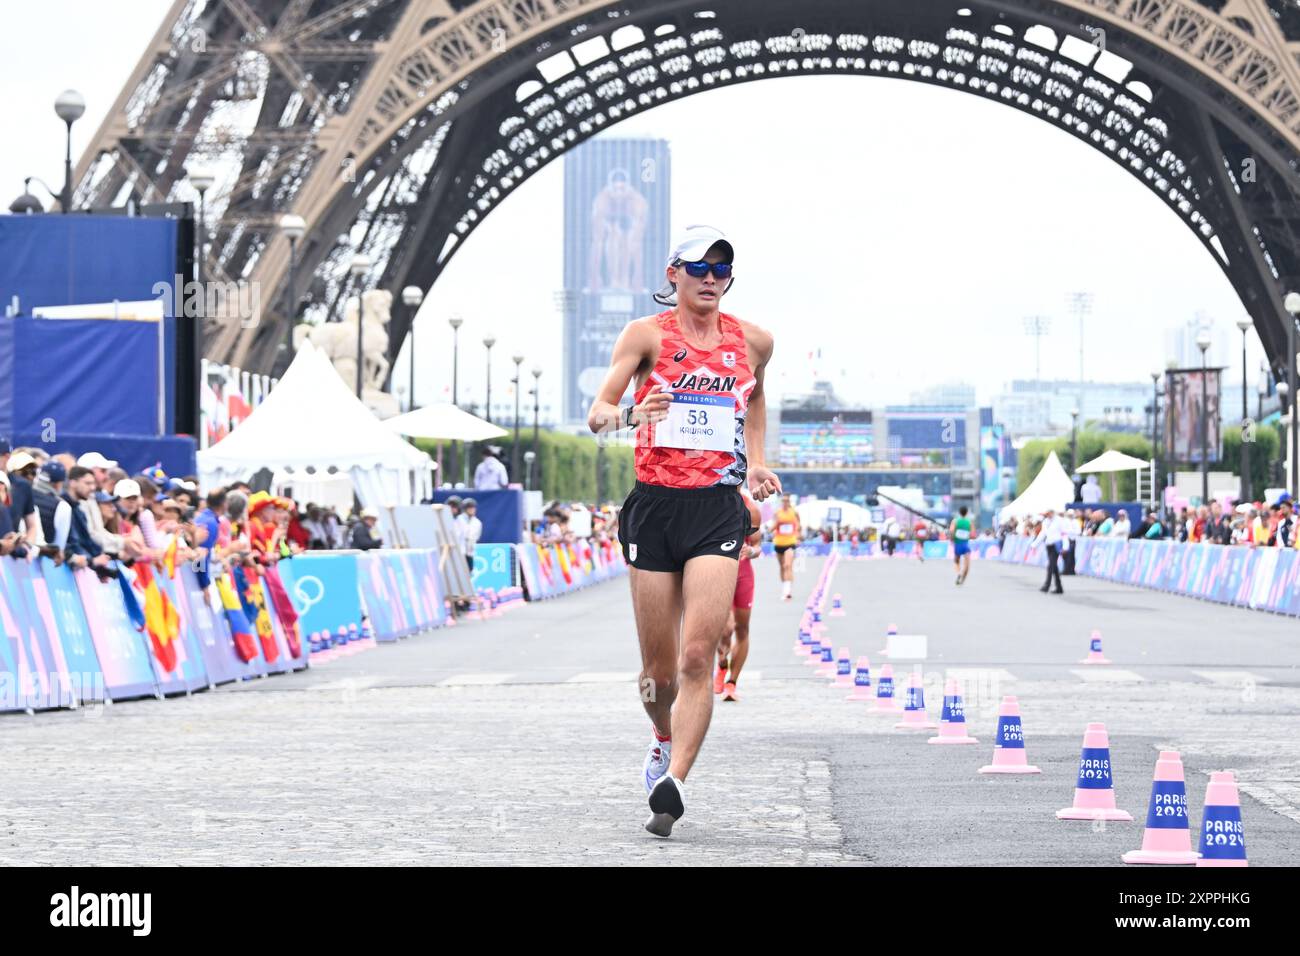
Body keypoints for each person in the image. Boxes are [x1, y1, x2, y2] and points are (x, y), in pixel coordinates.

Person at [586, 223, 777, 837]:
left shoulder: (754, 341)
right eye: (699, 268)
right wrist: (635, 413)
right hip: (654, 507)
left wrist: (760, 459)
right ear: (674, 275)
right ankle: (662, 735)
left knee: (700, 654)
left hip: (717, 507)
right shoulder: (645, 336)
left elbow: (755, 403)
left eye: (722, 270)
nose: (711, 279)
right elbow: (598, 415)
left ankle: (676, 783)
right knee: (658, 674)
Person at [715, 490, 762, 702]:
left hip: (742, 574)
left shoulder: (750, 508)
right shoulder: (709, 502)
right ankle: (722, 663)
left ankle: (732, 683)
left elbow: (757, 545)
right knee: (725, 629)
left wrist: (752, 551)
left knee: (742, 628)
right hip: (716, 572)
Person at [770, 493, 800, 601]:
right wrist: (776, 524)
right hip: (778, 543)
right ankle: (784, 588)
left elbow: (798, 526)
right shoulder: (777, 513)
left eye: (787, 501)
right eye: (783, 501)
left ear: (790, 502)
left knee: (788, 565)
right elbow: (771, 528)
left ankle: (788, 591)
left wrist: (797, 536)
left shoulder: (794, 513)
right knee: (782, 567)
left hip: (790, 543)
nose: (785, 503)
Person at [1032, 506, 1067, 594]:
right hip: (1049, 545)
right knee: (1054, 566)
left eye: (1048, 513)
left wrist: (1065, 546)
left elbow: (1064, 534)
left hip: (1056, 545)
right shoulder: (1046, 522)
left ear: (1052, 512)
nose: (1047, 515)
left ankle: (1046, 585)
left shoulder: (1059, 521)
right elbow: (1043, 534)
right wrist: (1034, 544)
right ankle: (1059, 587)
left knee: (1050, 565)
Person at [457, 497, 483, 572]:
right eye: (469, 508)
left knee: (469, 571)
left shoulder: (477, 522)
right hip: (459, 551)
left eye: (473, 508)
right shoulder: (458, 520)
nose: (472, 510)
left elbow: (477, 536)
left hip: (470, 551)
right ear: (465, 509)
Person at [949, 505, 973, 586]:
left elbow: (951, 531)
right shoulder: (969, 522)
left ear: (959, 513)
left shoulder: (955, 521)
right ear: (967, 513)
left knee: (956, 561)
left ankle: (958, 573)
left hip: (957, 544)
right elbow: (973, 534)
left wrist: (952, 539)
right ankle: (963, 577)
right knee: (967, 564)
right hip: (965, 544)